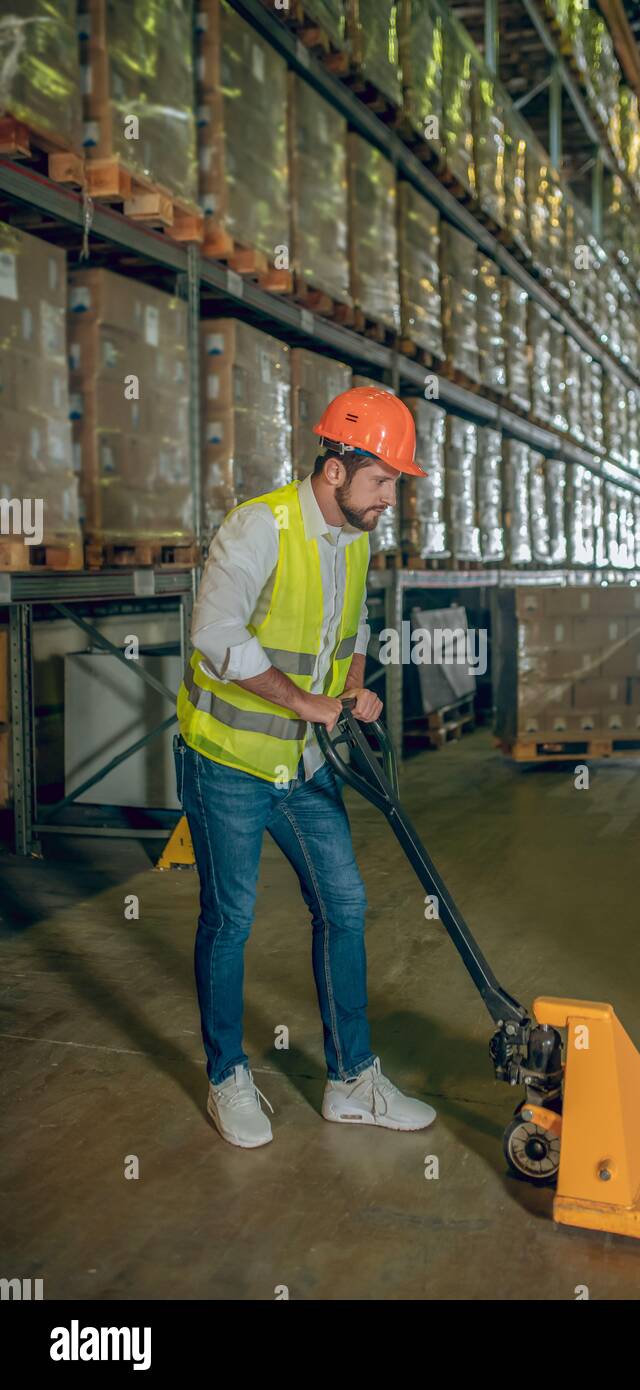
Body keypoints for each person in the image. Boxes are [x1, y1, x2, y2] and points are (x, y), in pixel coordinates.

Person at [174, 386, 437, 1147]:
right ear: (334, 469)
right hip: (227, 760)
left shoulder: (354, 541)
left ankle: (353, 1080)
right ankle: (228, 1077)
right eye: (383, 481)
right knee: (231, 920)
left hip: (302, 763)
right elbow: (215, 636)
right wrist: (307, 704)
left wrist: (353, 692)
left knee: (345, 906)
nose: (391, 498)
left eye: (395, 484)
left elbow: (347, 631)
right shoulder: (259, 527)